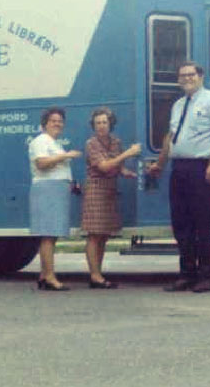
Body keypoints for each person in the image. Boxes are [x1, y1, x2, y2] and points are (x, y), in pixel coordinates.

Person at [150, 61, 210, 293]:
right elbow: (171, 137)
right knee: (181, 224)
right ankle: (186, 274)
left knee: (203, 224)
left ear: (201, 76)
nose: (186, 78)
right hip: (181, 169)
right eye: (182, 75)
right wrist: (160, 164)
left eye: (191, 74)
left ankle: (206, 276)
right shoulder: (178, 105)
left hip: (204, 167)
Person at [82, 107, 141, 289]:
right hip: (95, 190)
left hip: (110, 190)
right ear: (93, 125)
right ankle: (95, 276)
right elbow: (105, 166)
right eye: (98, 123)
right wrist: (128, 153)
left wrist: (127, 173)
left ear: (110, 124)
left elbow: (118, 166)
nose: (101, 126)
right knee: (94, 235)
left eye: (104, 122)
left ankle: (98, 273)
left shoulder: (116, 142)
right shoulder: (91, 144)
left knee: (104, 236)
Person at [29, 107, 82, 291]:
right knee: (48, 234)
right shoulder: (41, 141)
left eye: (60, 121)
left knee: (51, 235)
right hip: (47, 188)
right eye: (53, 120)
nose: (57, 123)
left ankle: (44, 275)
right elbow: (41, 163)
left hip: (56, 189)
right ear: (45, 124)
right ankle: (50, 277)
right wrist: (66, 156)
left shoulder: (53, 142)